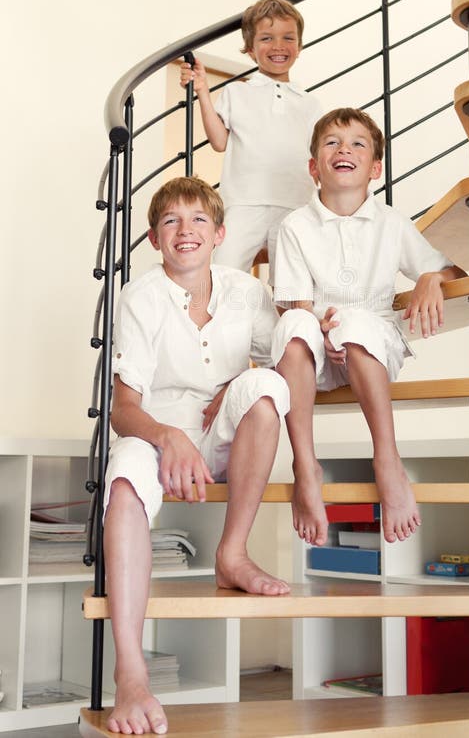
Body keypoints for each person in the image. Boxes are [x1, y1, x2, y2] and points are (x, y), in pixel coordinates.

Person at [103, 175, 290, 735]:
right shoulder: (140, 297)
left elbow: (288, 363)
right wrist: (168, 436)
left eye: (198, 220)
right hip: (155, 435)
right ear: (156, 239)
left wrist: (240, 377)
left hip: (222, 438)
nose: (186, 231)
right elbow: (123, 408)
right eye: (171, 222)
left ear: (220, 234)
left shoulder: (245, 292)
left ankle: (233, 553)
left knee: (266, 392)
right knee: (122, 482)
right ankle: (131, 673)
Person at [271, 108, 467, 549]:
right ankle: (306, 467)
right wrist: (322, 330)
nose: (344, 150)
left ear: (375, 168)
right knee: (296, 322)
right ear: (313, 166)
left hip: (371, 348)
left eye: (358, 143)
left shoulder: (392, 223)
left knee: (357, 322)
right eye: (332, 143)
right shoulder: (294, 226)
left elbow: (453, 273)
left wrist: (429, 278)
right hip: (314, 355)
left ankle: (387, 460)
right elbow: (295, 305)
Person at [179, 0, 321, 276]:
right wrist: (202, 91)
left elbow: (319, 159)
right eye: (267, 38)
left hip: (296, 204)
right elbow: (219, 141)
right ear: (250, 49)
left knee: (290, 283)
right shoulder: (237, 92)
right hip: (244, 202)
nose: (278, 46)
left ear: (300, 47)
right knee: (223, 272)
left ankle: (288, 321)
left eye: (288, 38)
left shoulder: (311, 104)